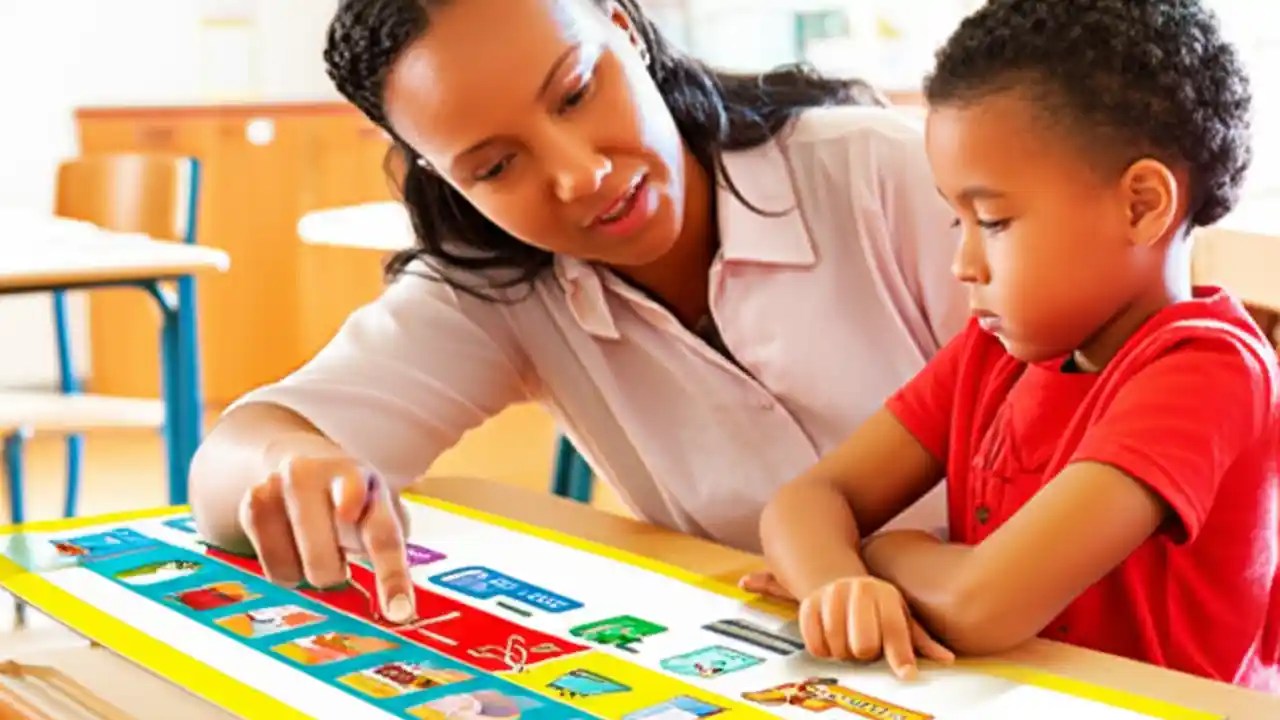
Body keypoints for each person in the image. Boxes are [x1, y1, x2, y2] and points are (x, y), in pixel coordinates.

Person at [188, 0, 966, 626]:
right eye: (495, 166)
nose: (581, 174)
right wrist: (286, 467)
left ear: (623, 27)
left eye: (576, 93)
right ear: (446, 179)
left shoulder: (885, 176)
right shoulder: (503, 290)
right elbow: (231, 462)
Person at [750, 0, 1279, 690]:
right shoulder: (992, 352)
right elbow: (806, 500)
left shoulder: (1206, 371)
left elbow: (983, 605)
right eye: (956, 221)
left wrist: (887, 551)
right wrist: (839, 583)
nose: (963, 263)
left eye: (994, 221)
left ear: (1142, 204)